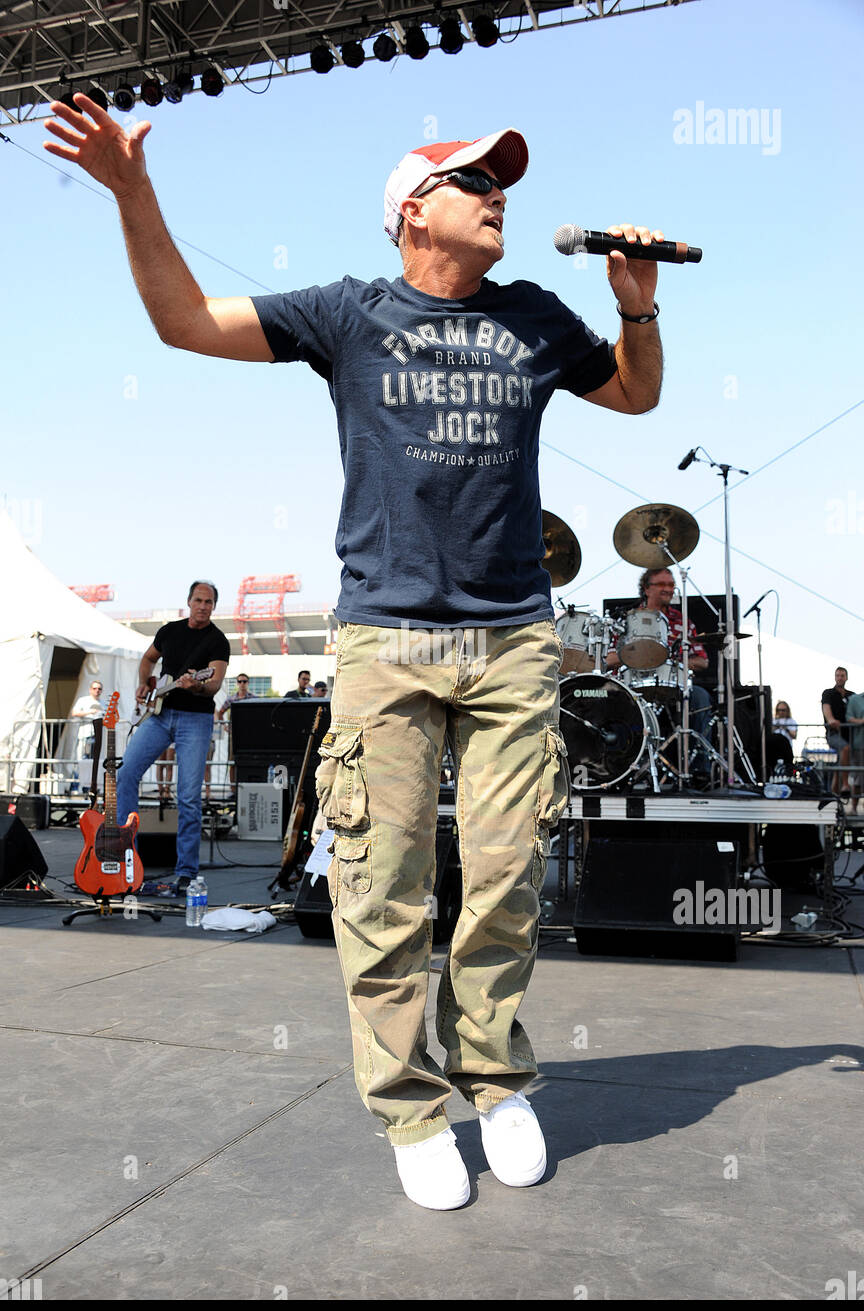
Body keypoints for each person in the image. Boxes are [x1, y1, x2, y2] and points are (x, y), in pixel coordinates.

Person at [43, 103, 664, 1208]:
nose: (497, 192)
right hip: (387, 638)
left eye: (500, 179)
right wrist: (133, 192)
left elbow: (634, 392)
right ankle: (410, 1102)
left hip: (515, 635)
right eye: (473, 179)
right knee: (382, 879)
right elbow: (182, 321)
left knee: (510, 871)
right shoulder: (349, 313)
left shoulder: (533, 317)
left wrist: (639, 312)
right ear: (412, 210)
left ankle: (494, 1075)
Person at [116, 582, 229, 893]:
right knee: (125, 773)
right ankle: (128, 861)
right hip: (159, 714)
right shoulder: (169, 631)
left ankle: (186, 873)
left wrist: (198, 685)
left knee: (189, 797)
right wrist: (144, 683)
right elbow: (147, 659)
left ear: (214, 606)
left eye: (209, 602)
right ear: (189, 601)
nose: (203, 606)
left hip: (196, 719)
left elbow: (215, 683)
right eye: (198, 600)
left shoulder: (218, 642)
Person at [606, 568, 712, 777]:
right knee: (608, 696)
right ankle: (616, 767)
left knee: (700, 696)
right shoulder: (626, 620)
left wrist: (669, 659)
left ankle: (700, 768)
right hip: (632, 684)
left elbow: (703, 661)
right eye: (661, 584)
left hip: (671, 683)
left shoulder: (683, 622)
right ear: (646, 588)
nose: (668, 589)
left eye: (671, 585)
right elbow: (608, 660)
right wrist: (639, 652)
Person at [822, 666, 854, 799]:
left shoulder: (852, 695)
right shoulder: (828, 693)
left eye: (842, 675)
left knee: (839, 766)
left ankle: (834, 796)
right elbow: (826, 708)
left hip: (850, 735)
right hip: (834, 734)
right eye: (837, 675)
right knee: (845, 749)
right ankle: (845, 784)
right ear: (835, 677)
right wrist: (831, 720)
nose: (840, 678)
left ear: (846, 677)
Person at [218, 674, 253, 789]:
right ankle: (233, 788)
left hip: (249, 735)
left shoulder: (253, 698)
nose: (242, 684)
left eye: (244, 681)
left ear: (248, 683)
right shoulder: (231, 699)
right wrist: (225, 726)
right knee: (232, 761)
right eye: (240, 681)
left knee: (248, 760)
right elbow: (220, 712)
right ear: (237, 683)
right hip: (234, 735)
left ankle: (247, 786)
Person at [68, 679, 105, 789]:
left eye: (99, 689)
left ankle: (88, 787)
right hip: (85, 734)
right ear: (90, 690)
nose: (97, 691)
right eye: (94, 688)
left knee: (93, 763)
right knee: (81, 760)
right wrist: (90, 712)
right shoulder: (83, 700)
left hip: (97, 735)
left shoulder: (102, 703)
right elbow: (74, 713)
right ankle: (75, 786)